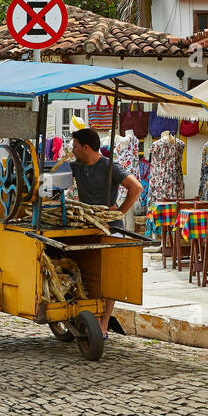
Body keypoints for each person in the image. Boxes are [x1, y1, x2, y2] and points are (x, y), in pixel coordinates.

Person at [69, 128, 141, 337]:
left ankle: (103, 324)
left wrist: (119, 211)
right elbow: (51, 174)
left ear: (86, 147)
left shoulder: (110, 167)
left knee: (110, 277)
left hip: (111, 228)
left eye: (75, 147)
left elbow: (136, 188)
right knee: (84, 273)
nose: (72, 151)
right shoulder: (76, 167)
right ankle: (85, 316)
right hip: (87, 227)